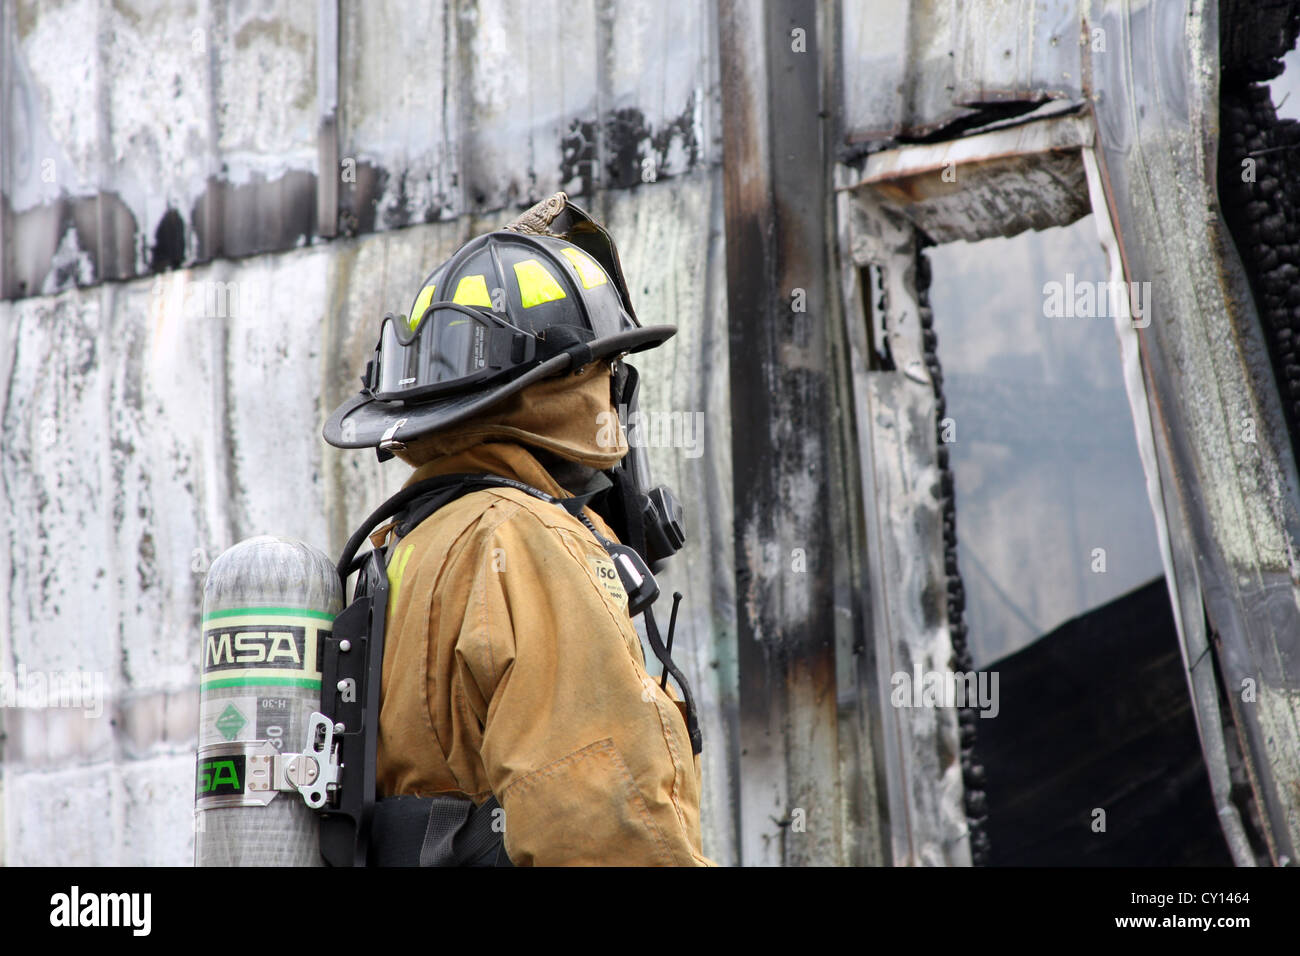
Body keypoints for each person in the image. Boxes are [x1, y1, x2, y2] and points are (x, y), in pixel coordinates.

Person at [322, 194, 712, 866]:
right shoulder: (524, 539)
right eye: (607, 371)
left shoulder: (407, 546)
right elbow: (603, 823)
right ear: (573, 376)